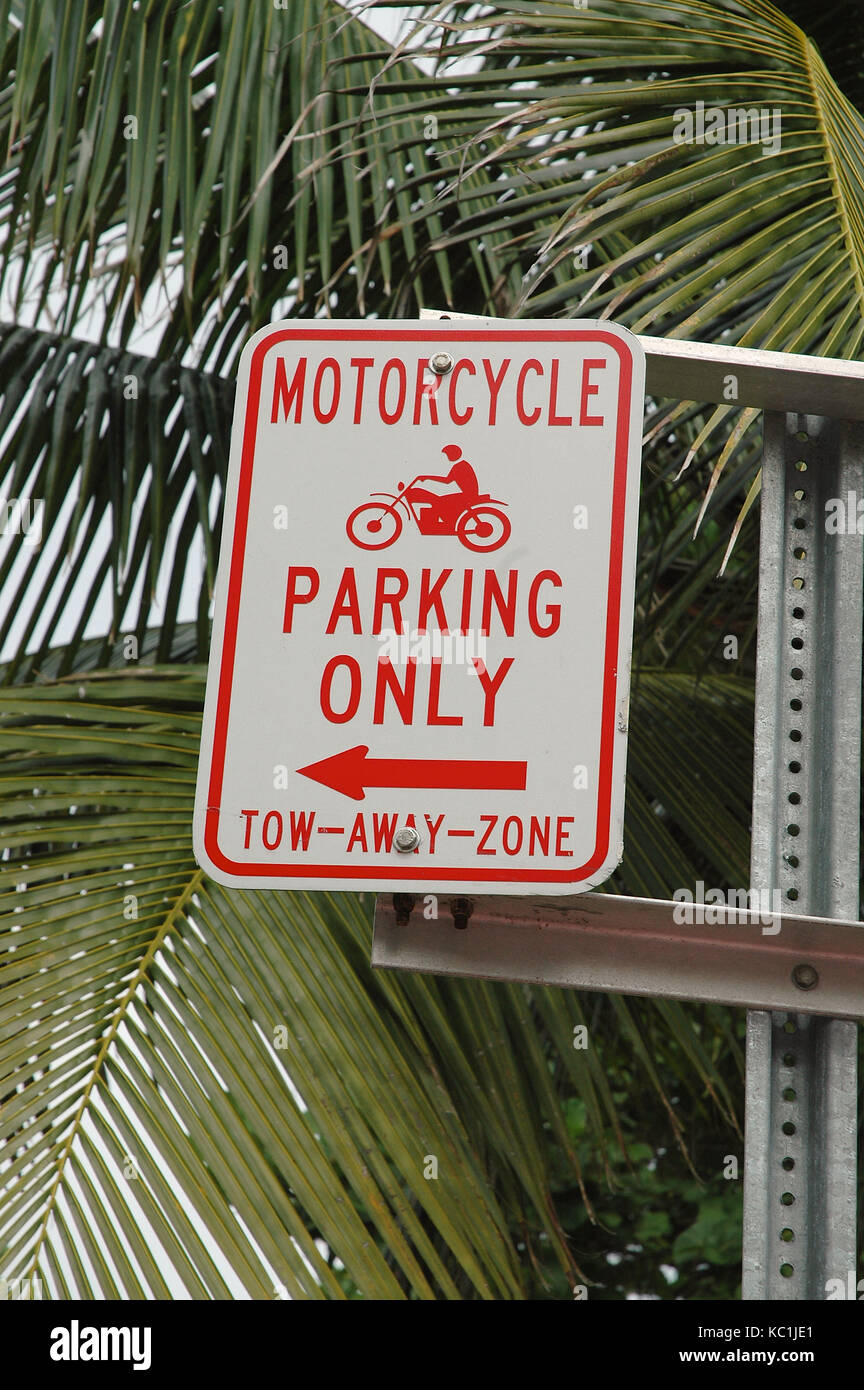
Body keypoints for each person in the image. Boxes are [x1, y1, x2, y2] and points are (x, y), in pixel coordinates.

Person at [407, 445, 482, 527]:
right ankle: (447, 521)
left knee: (439, 501)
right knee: (440, 501)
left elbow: (447, 480)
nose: (447, 457)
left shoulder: (460, 466)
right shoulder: (462, 464)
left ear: (454, 454)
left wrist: (427, 477)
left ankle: (448, 523)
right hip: (468, 494)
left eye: (448, 454)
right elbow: (448, 480)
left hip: (468, 495)